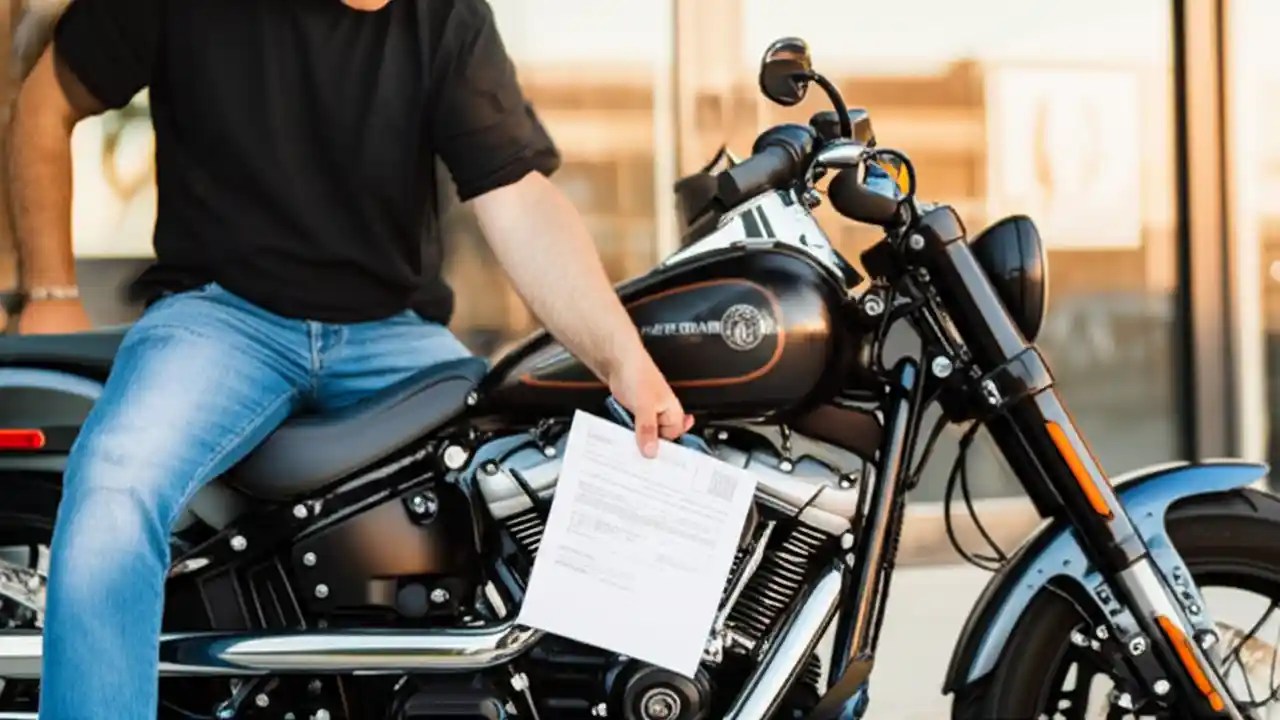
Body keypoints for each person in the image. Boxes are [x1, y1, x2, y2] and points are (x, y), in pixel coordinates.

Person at [9, 0, 692, 716]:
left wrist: (622, 356)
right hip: (221, 321)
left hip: (391, 334)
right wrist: (51, 288)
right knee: (115, 485)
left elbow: (514, 193)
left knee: (531, 478)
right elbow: (45, 102)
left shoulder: (444, 15)